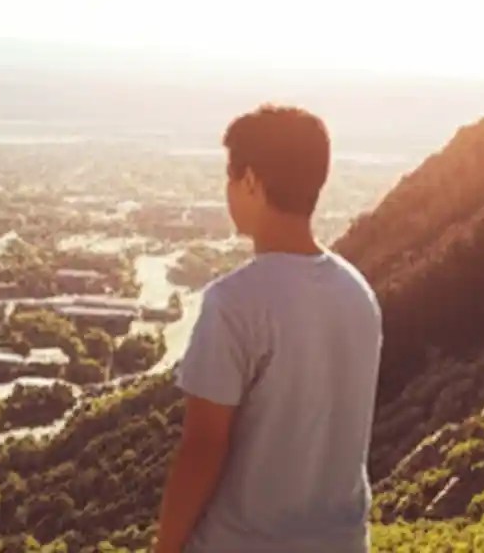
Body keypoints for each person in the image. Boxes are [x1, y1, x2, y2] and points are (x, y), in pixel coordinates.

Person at [155, 105, 382, 553]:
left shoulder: (233, 303)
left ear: (252, 182)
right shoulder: (358, 293)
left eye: (230, 176)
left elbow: (203, 447)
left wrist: (164, 548)